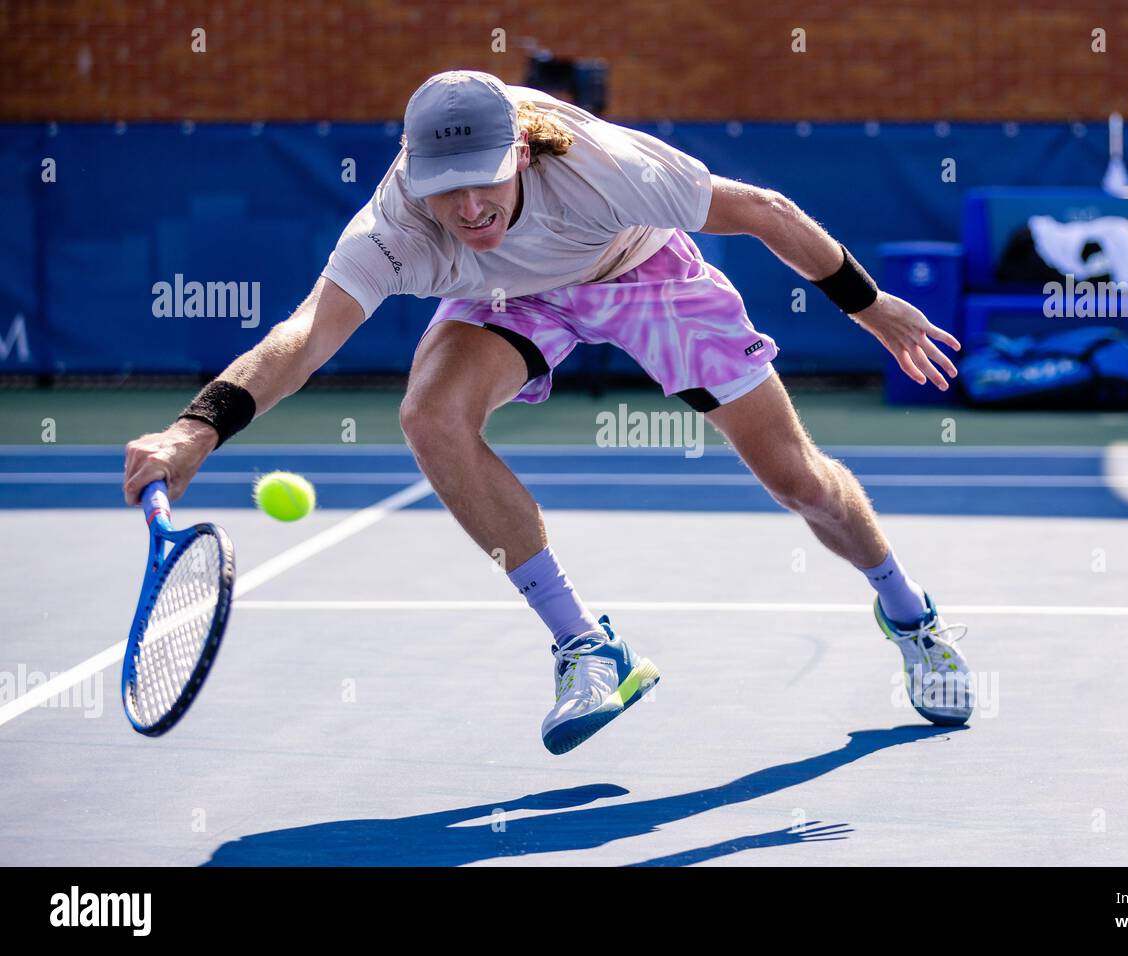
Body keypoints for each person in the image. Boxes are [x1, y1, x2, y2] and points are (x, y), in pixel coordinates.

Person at [122, 70, 974, 755]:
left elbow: (763, 213)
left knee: (799, 481)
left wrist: (873, 310)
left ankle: (912, 617)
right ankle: (587, 647)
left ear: (521, 152)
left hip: (643, 277)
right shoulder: (399, 224)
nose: (467, 209)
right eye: (444, 191)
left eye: (482, 184)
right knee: (430, 417)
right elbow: (306, 335)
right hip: (506, 299)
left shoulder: (605, 167)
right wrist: (196, 427)